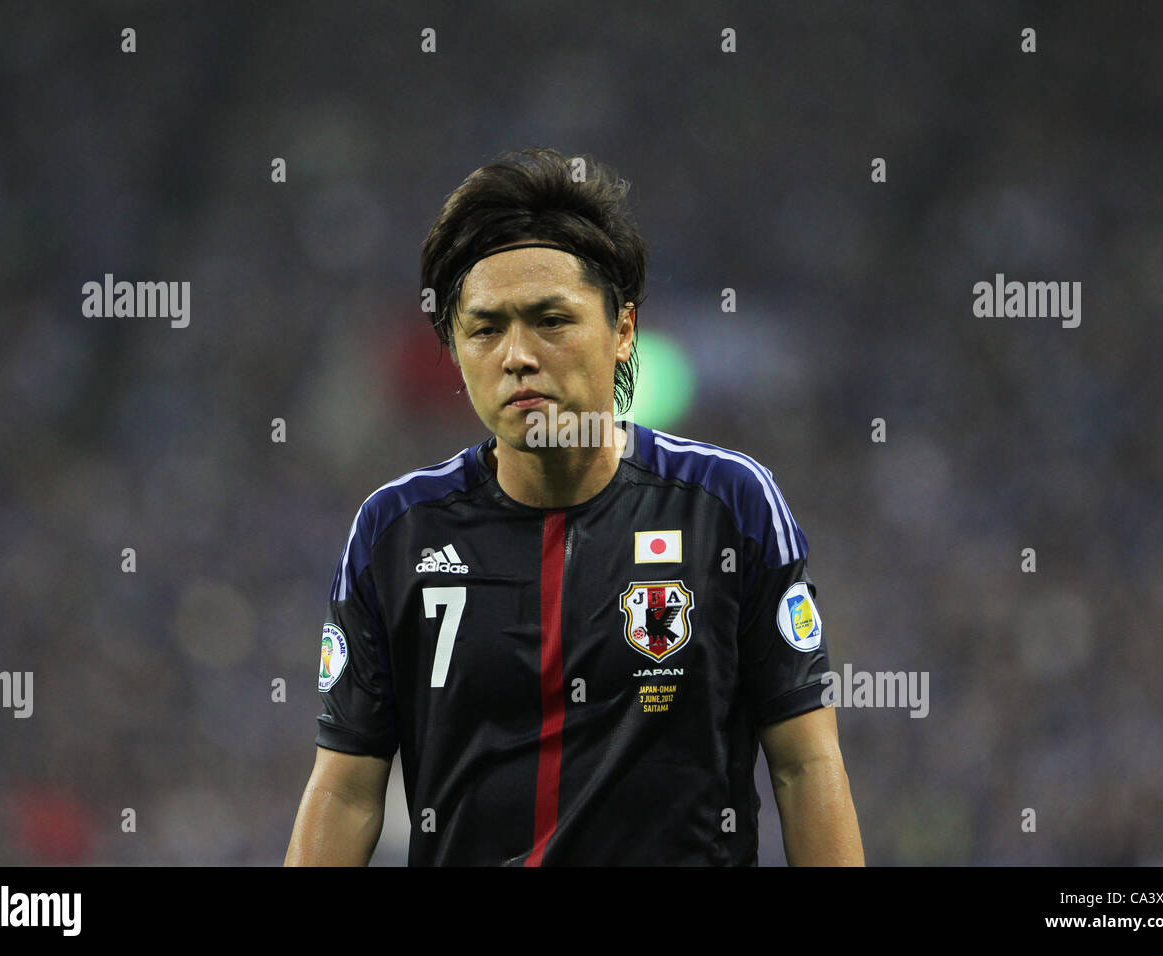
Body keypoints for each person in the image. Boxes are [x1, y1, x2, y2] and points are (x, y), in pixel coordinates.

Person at [285, 147, 863, 866]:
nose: (517, 355)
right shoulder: (396, 530)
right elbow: (345, 790)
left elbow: (805, 764)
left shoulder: (728, 505)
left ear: (623, 331)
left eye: (550, 320)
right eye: (486, 328)